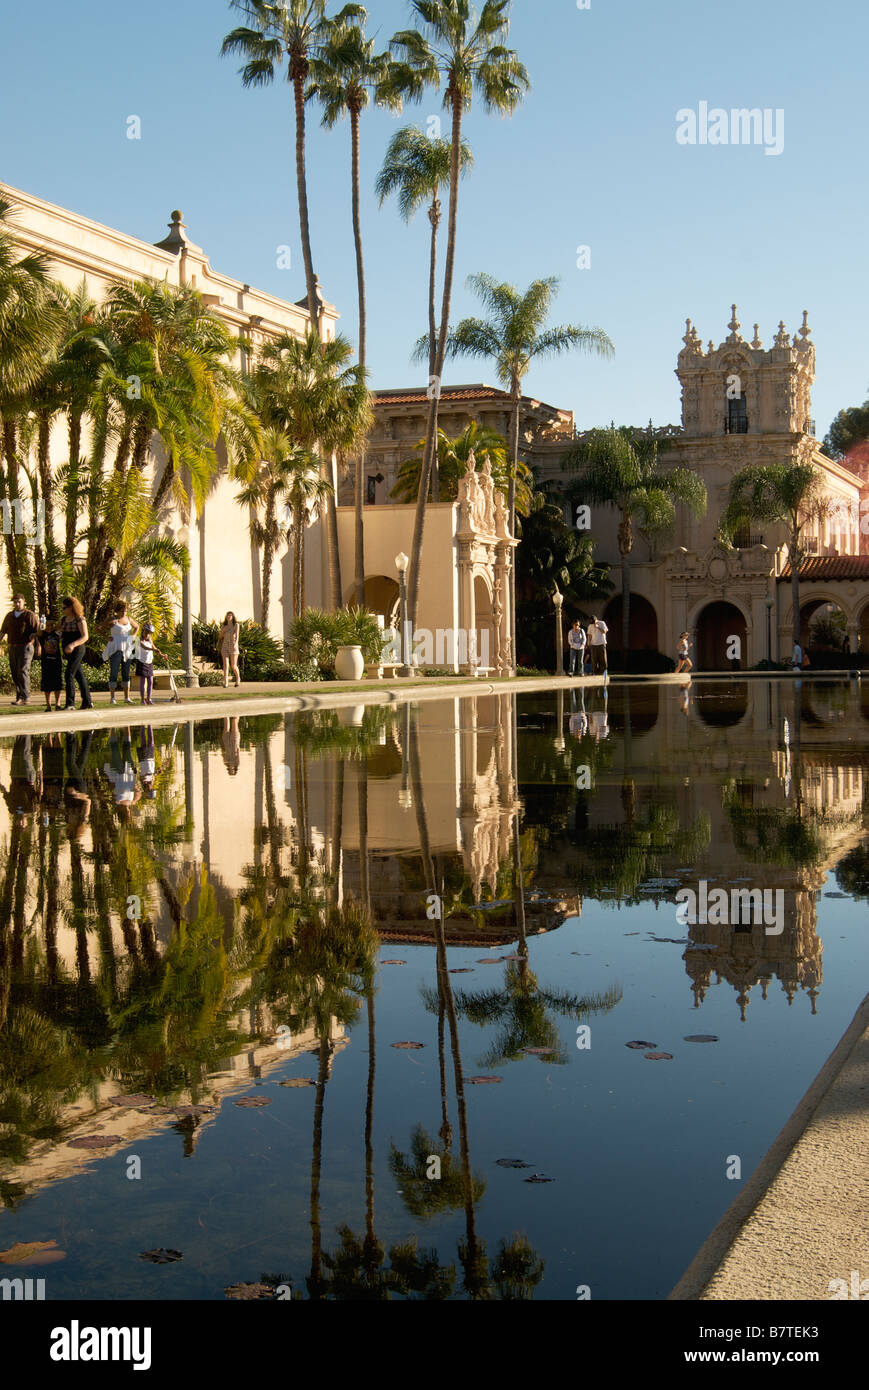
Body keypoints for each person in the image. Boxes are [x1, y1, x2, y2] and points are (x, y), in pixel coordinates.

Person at [1, 594, 40, 705]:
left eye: (19, 601)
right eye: (15, 602)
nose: (17, 604)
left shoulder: (29, 615)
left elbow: (36, 632)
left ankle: (26, 696)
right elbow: (3, 631)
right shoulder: (9, 616)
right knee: (15, 672)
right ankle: (19, 697)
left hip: (26, 647)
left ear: (24, 602)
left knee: (23, 670)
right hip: (13, 647)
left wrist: (38, 645)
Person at [60, 596, 93, 710]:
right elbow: (58, 630)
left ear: (71, 607)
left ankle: (70, 703)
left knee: (69, 673)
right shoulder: (64, 619)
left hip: (77, 648)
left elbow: (85, 636)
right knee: (79, 675)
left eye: (64, 608)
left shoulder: (79, 619)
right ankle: (87, 701)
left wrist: (72, 645)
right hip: (67, 649)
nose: (63, 610)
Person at [105, 601, 139, 705]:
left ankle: (127, 697)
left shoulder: (129, 619)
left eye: (125, 610)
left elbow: (137, 626)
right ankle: (112, 697)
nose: (124, 612)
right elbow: (99, 628)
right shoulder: (113, 620)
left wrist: (133, 636)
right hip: (116, 648)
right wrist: (107, 637)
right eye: (122, 611)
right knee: (114, 672)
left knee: (126, 673)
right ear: (117, 611)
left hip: (127, 648)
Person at [136, 624, 167, 706]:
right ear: (143, 631)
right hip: (142, 662)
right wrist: (153, 649)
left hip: (149, 662)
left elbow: (155, 648)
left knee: (150, 681)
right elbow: (144, 647)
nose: (147, 634)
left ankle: (149, 699)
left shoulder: (150, 640)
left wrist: (162, 654)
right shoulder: (139, 640)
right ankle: (142, 700)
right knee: (142, 682)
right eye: (146, 632)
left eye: (149, 633)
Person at [38, 616, 64, 711]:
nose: (49, 627)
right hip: (46, 662)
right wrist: (41, 623)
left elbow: (61, 626)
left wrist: (55, 625)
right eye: (47, 625)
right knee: (46, 684)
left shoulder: (57, 634)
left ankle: (58, 704)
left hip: (56, 661)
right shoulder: (43, 635)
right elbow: (39, 631)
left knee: (58, 683)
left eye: (51, 625)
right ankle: (48, 705)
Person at [219, 612, 241, 688]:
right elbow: (220, 636)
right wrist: (223, 631)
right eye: (227, 615)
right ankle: (226, 682)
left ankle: (238, 679)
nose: (229, 616)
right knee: (225, 665)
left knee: (233, 666)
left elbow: (237, 635)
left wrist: (236, 644)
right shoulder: (224, 626)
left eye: (230, 615)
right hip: (225, 646)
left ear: (233, 616)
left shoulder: (236, 625)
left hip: (233, 646)